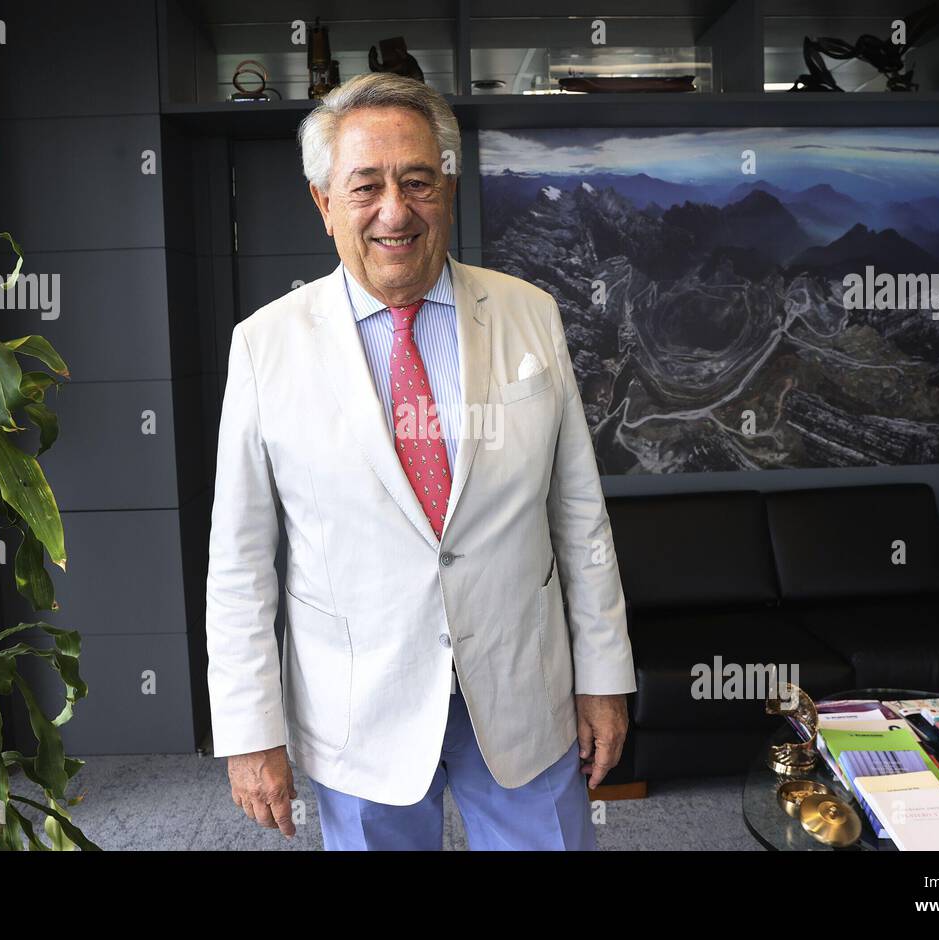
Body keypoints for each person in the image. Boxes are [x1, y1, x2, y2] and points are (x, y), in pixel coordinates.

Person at [205, 72, 635, 850]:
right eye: (365, 185)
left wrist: (603, 677)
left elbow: (580, 517)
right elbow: (239, 564)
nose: (394, 211)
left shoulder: (529, 313)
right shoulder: (264, 347)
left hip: (521, 693)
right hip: (357, 713)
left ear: (447, 186)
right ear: (323, 202)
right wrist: (248, 730)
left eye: (417, 181)